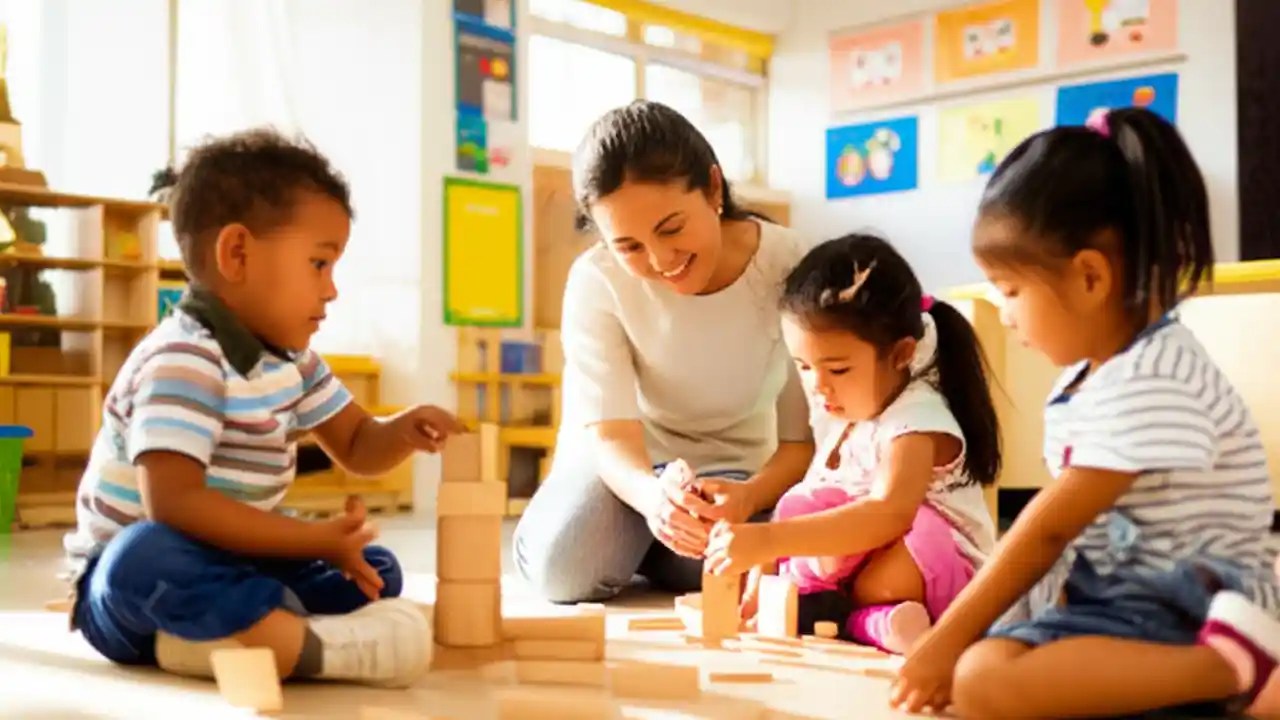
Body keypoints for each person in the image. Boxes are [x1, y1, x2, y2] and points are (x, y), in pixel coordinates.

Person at [892, 108, 1280, 718]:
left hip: (1190, 605)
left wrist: (950, 637)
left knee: (980, 682)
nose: (1005, 310)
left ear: (1090, 277)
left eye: (1012, 290)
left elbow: (1047, 529)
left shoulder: (1153, 377)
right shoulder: (1096, 373)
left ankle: (1230, 666)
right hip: (1124, 597)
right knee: (989, 672)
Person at [64, 129, 463, 688]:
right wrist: (314, 539)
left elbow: (356, 445)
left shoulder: (293, 362)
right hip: (132, 590)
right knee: (143, 558)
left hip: (233, 559)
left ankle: (223, 637)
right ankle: (311, 650)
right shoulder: (184, 360)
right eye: (319, 265)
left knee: (376, 570)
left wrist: (401, 431)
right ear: (237, 254)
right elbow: (174, 505)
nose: (332, 291)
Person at [512, 101, 816, 603]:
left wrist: (748, 497)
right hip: (623, 479)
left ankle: (653, 551)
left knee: (783, 572)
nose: (660, 260)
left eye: (671, 229)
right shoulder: (596, 282)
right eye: (628, 246)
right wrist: (655, 500)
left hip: (740, 480)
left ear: (714, 189)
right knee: (564, 570)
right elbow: (612, 441)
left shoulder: (790, 264)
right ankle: (638, 541)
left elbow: (799, 445)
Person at [704, 234, 1000, 655]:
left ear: (901, 354)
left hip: (936, 567)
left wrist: (772, 541)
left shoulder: (917, 419)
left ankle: (842, 613)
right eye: (803, 367)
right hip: (871, 567)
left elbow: (889, 513)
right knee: (798, 505)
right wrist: (762, 566)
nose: (818, 385)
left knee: (898, 552)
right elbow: (808, 497)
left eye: (838, 369)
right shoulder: (840, 407)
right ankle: (874, 624)